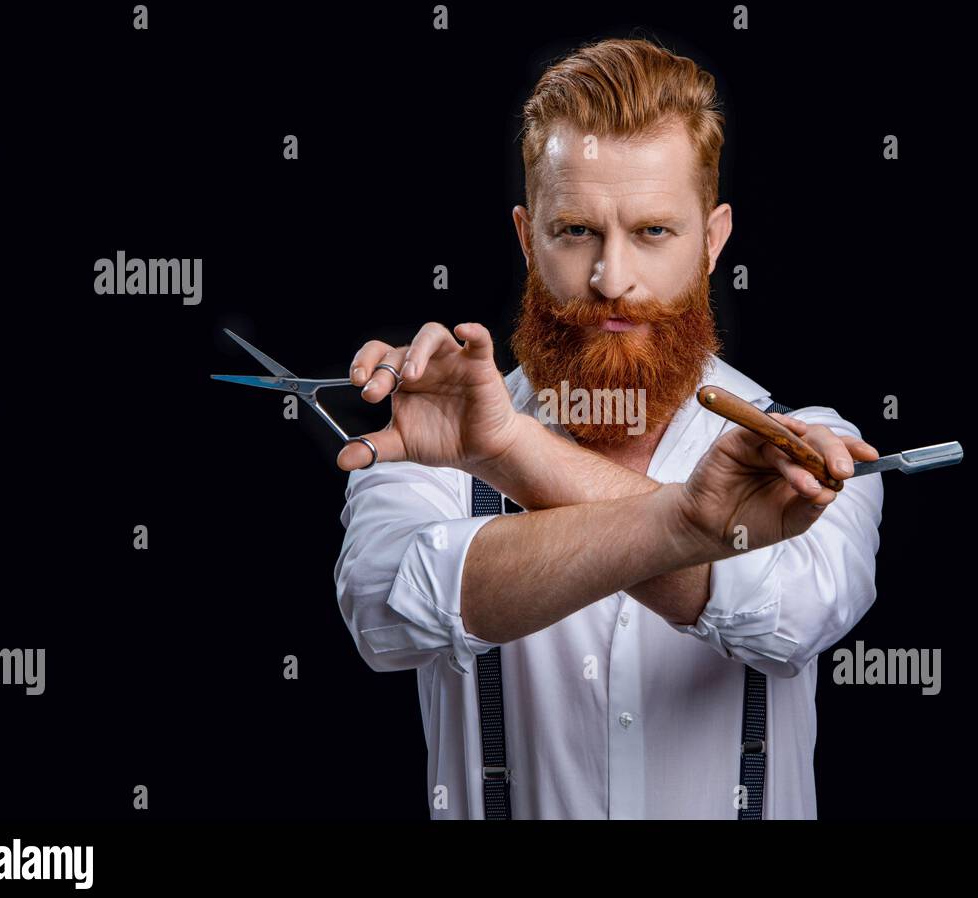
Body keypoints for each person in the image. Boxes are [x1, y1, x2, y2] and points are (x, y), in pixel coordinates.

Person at [332, 38, 883, 819]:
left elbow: (787, 615)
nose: (611, 279)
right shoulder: (430, 434)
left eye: (654, 232)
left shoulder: (806, 446)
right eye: (575, 231)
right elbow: (386, 616)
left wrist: (512, 451)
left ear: (714, 240)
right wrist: (685, 522)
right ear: (528, 239)